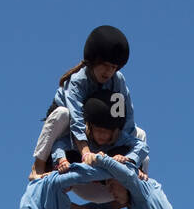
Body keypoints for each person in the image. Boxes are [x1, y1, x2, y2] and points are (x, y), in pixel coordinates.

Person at [32, 26, 145, 178]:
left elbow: (127, 116)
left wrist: (125, 153)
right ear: (93, 61)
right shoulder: (78, 81)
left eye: (113, 67)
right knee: (63, 114)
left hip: (99, 134)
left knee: (140, 134)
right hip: (68, 130)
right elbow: (76, 119)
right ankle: (38, 166)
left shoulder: (117, 80)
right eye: (105, 65)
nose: (108, 72)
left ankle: (133, 180)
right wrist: (86, 153)